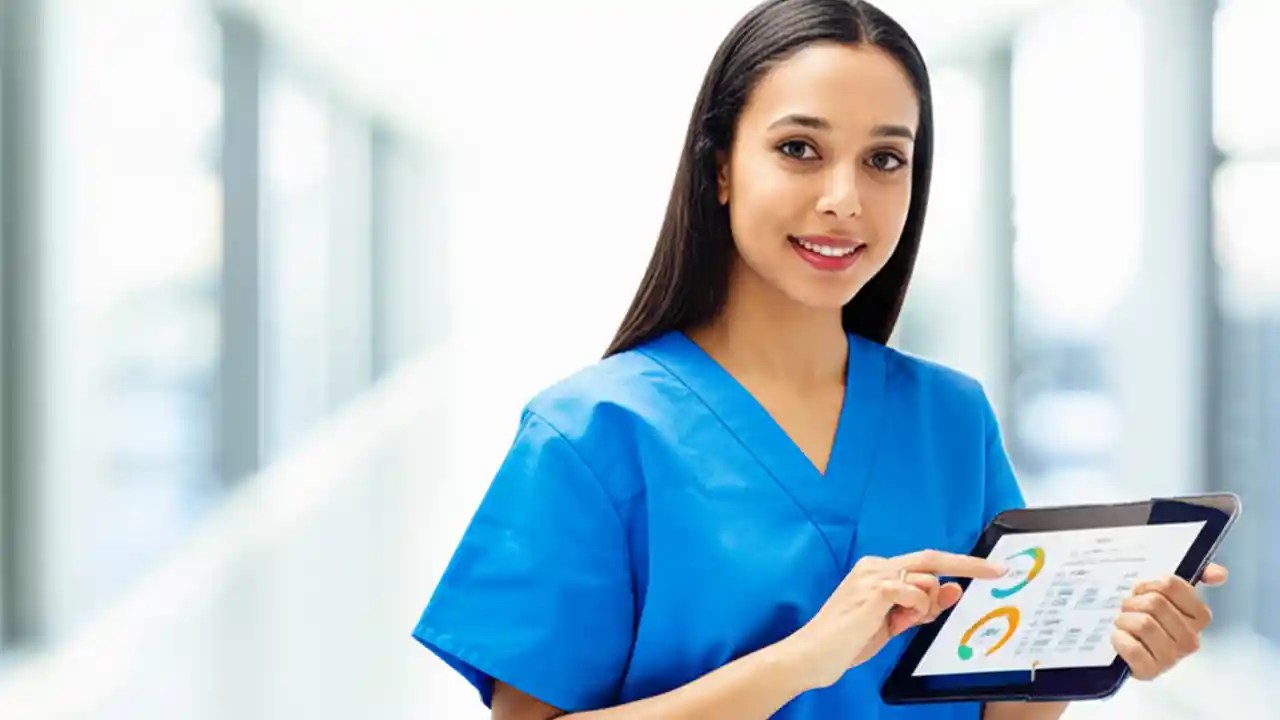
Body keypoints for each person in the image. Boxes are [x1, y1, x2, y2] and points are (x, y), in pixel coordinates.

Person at [411, 1, 1229, 718]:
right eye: (800, 148)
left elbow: (993, 712)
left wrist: (1099, 651)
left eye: (884, 159)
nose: (844, 197)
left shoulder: (950, 419)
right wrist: (802, 660)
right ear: (721, 166)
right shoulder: (589, 435)